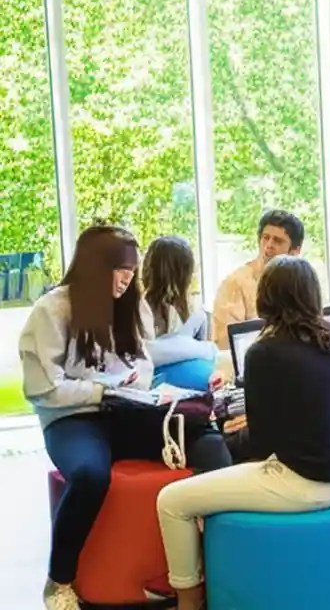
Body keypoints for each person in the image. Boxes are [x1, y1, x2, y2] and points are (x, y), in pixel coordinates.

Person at [155, 256, 330, 610]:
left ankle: (190, 601)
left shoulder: (263, 351)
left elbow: (261, 447)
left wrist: (224, 435)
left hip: (301, 484)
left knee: (172, 501)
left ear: (266, 296)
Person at [20, 226, 230, 610]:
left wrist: (132, 385)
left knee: (208, 438)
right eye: (120, 269)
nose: (128, 278)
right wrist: (101, 388)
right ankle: (60, 579)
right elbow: (43, 390)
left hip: (125, 408)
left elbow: (143, 367)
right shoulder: (52, 310)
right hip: (73, 417)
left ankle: (218, 571)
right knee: (89, 474)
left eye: (132, 270)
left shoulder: (133, 307)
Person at [211, 210, 305, 350]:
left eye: (278, 241)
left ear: (295, 251)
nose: (269, 245)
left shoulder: (304, 281)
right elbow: (224, 343)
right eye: (265, 238)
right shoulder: (236, 283)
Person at [142, 236, 218, 390]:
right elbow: (145, 354)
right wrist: (207, 349)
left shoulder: (197, 313)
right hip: (158, 393)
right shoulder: (139, 310)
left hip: (200, 393)